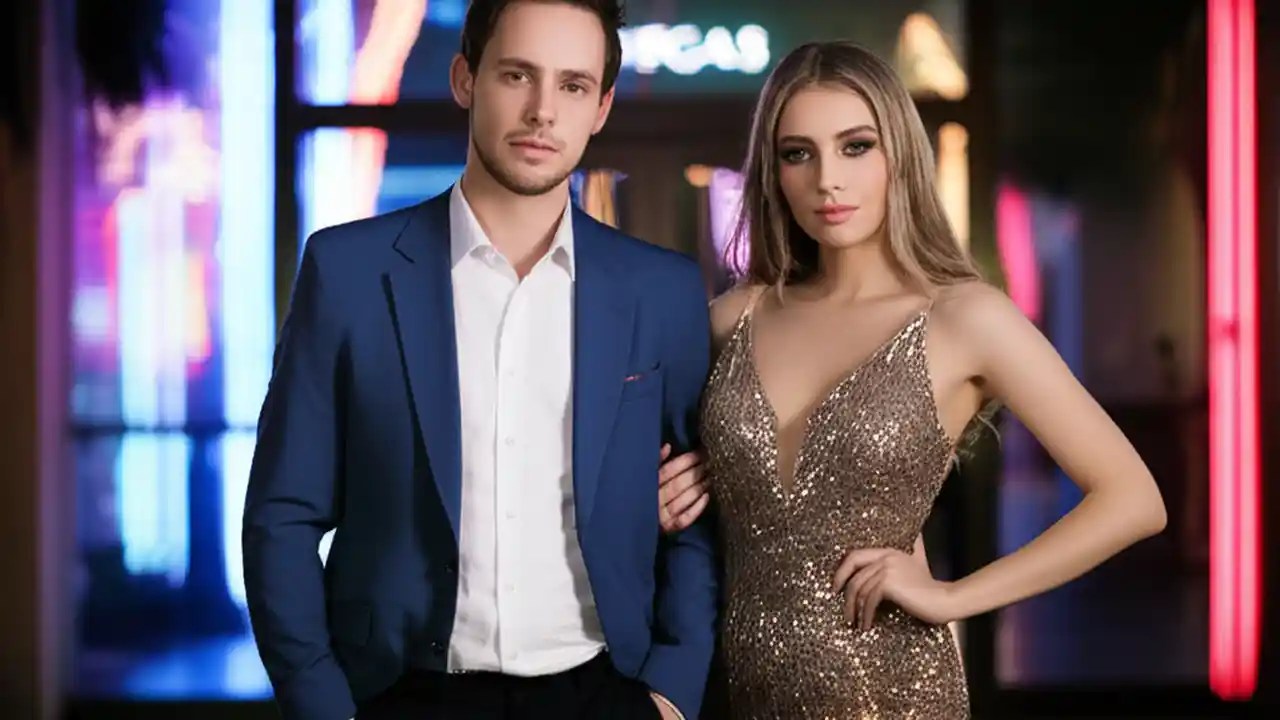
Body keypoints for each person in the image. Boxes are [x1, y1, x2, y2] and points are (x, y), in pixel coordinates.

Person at [658, 41, 1167, 718]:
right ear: (773, 173)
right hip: (741, 696)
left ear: (898, 153)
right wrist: (668, 499)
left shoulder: (964, 318)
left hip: (892, 692)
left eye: (856, 147)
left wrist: (955, 596)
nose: (828, 180)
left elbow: (1133, 499)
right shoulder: (733, 319)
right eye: (798, 153)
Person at [241, 2, 718, 719]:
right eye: (517, 75)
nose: (542, 111)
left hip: (603, 692)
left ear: (601, 107)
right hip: (402, 693)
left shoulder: (663, 291)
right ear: (466, 78)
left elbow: (700, 513)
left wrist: (671, 693)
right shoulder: (347, 273)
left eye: (573, 85)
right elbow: (280, 515)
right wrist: (321, 704)